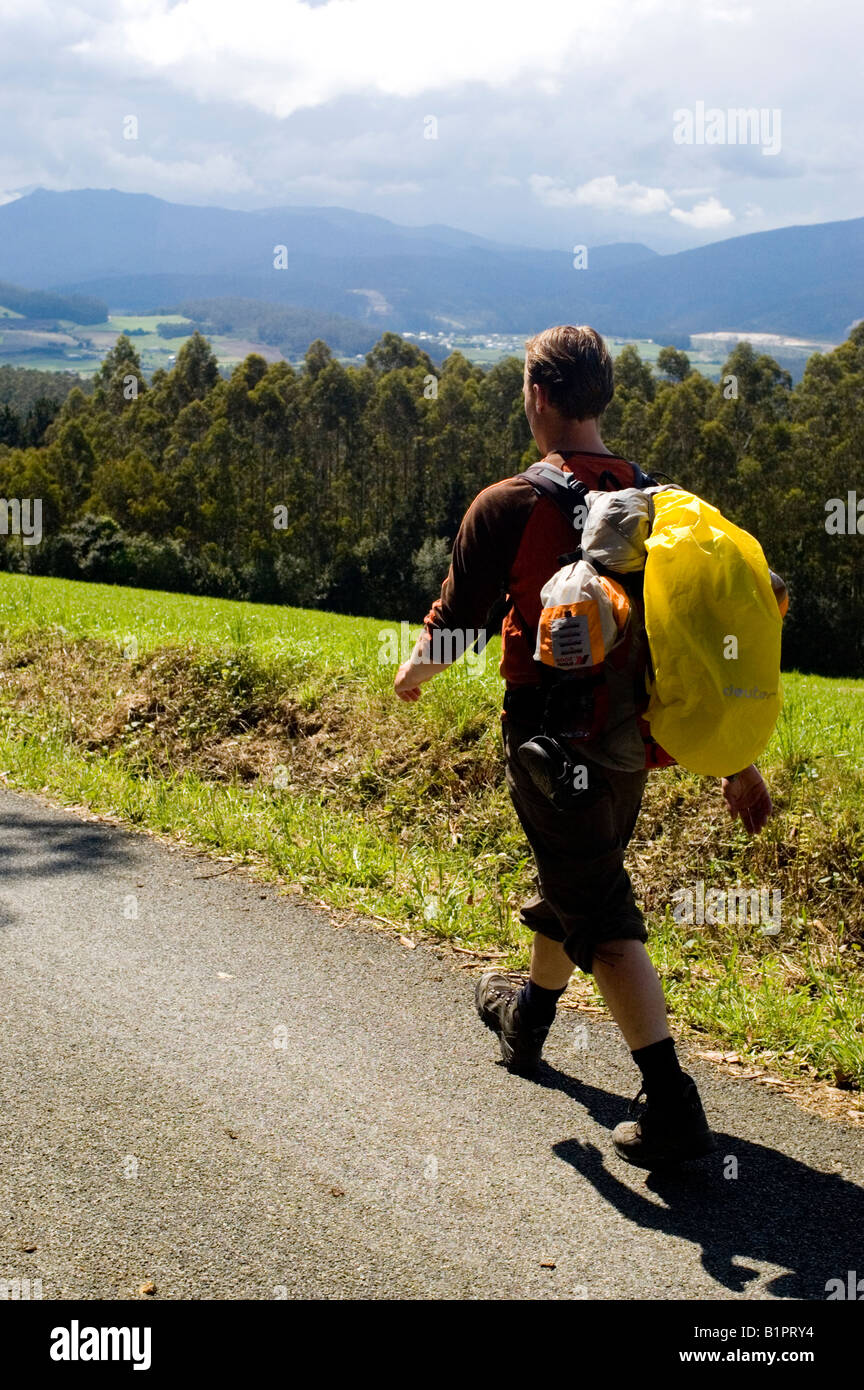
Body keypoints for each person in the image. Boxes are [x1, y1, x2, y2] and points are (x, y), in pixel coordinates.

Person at [394, 324, 774, 1169]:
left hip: (546, 742)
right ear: (601, 396)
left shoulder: (510, 504)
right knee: (579, 871)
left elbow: (456, 627)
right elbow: (698, 651)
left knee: (602, 913)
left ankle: (674, 1108)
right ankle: (526, 1017)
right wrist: (734, 756)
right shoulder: (659, 506)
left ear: (537, 395)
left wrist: (410, 677)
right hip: (630, 744)